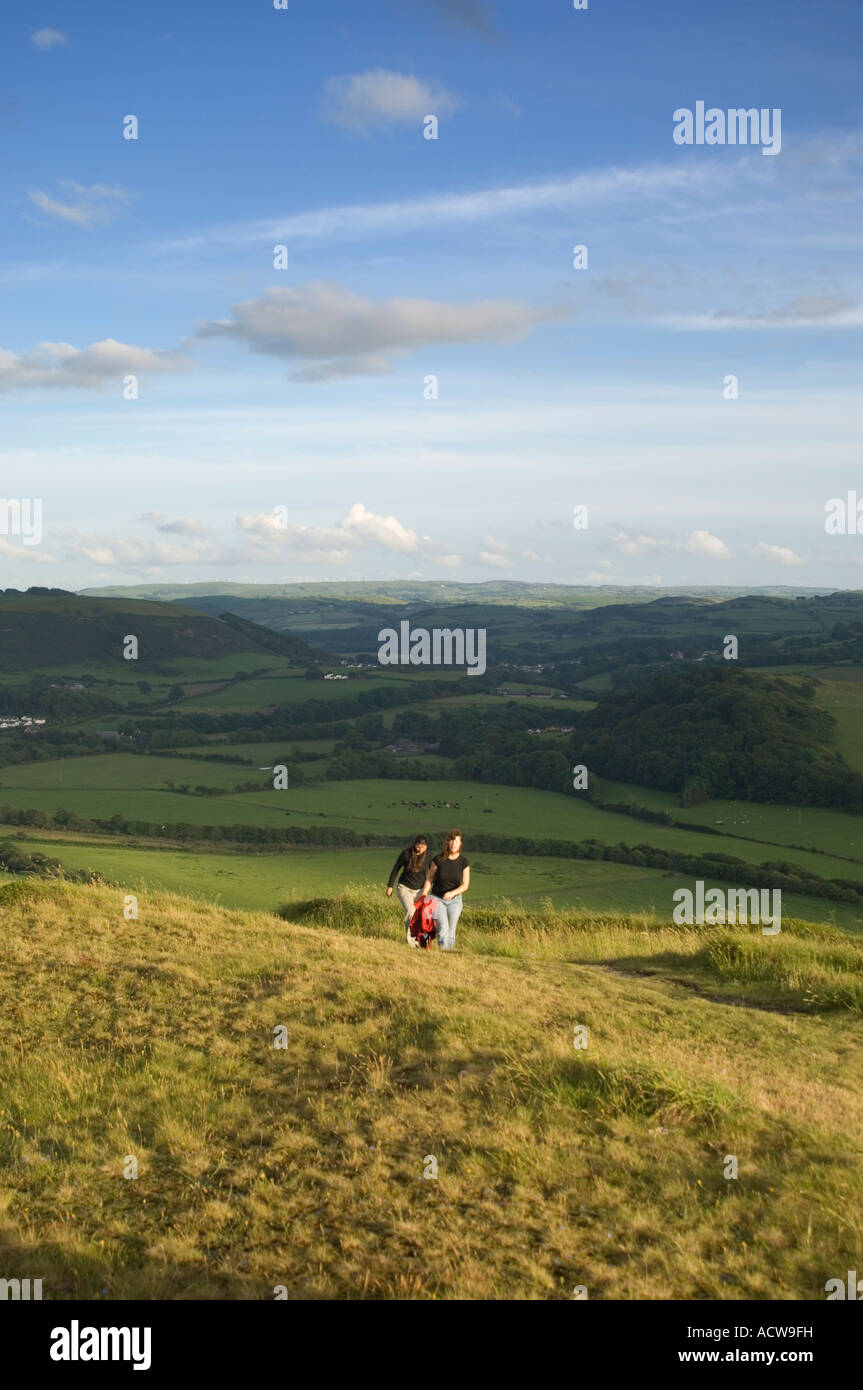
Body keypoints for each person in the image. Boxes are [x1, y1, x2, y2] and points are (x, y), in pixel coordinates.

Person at [423, 829, 470, 952]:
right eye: (451, 841)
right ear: (447, 843)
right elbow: (430, 878)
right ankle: (443, 953)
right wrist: (424, 895)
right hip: (437, 898)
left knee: (451, 930)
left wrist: (453, 893)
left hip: (455, 900)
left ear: (460, 844)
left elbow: (465, 885)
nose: (453, 844)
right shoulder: (438, 859)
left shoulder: (464, 861)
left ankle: (448, 954)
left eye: (456, 841)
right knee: (443, 927)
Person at [386, 835, 430, 946]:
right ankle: (411, 942)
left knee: (420, 916)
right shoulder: (406, 853)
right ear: (414, 844)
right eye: (418, 846)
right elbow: (396, 869)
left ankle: (421, 940)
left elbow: (434, 872)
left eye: (422, 847)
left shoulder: (429, 856)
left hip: (420, 891)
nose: (420, 849)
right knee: (411, 911)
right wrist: (390, 886)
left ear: (426, 847)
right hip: (404, 888)